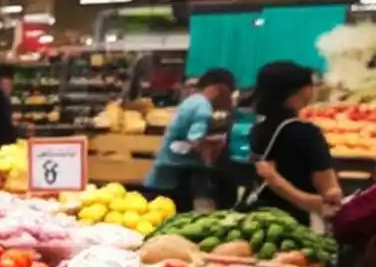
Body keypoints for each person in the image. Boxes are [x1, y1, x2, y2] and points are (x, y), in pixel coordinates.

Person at [247, 61, 341, 225]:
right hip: (292, 225)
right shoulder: (306, 133)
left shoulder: (257, 130)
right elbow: (329, 194)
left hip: (257, 220)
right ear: (298, 91)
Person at [144, 68, 236, 213]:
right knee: (174, 215)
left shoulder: (192, 101)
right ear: (219, 88)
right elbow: (195, 141)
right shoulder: (203, 107)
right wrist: (218, 141)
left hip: (166, 170)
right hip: (178, 173)